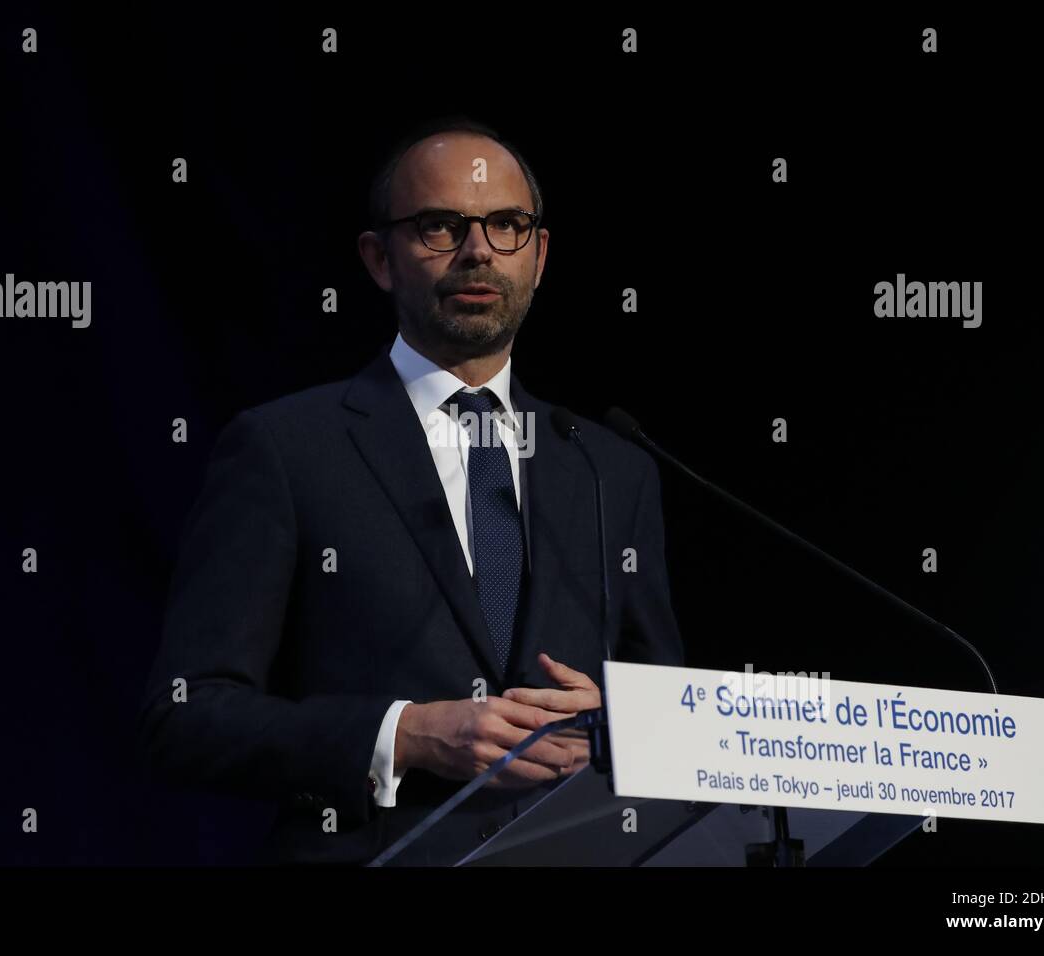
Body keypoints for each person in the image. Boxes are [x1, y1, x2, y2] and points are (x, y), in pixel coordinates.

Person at [138, 116, 684, 865]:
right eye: (439, 227)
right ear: (379, 258)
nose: (478, 251)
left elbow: (674, 717)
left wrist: (615, 723)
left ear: (540, 254)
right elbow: (185, 716)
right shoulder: (286, 450)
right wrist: (406, 733)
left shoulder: (611, 468)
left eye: (506, 225)